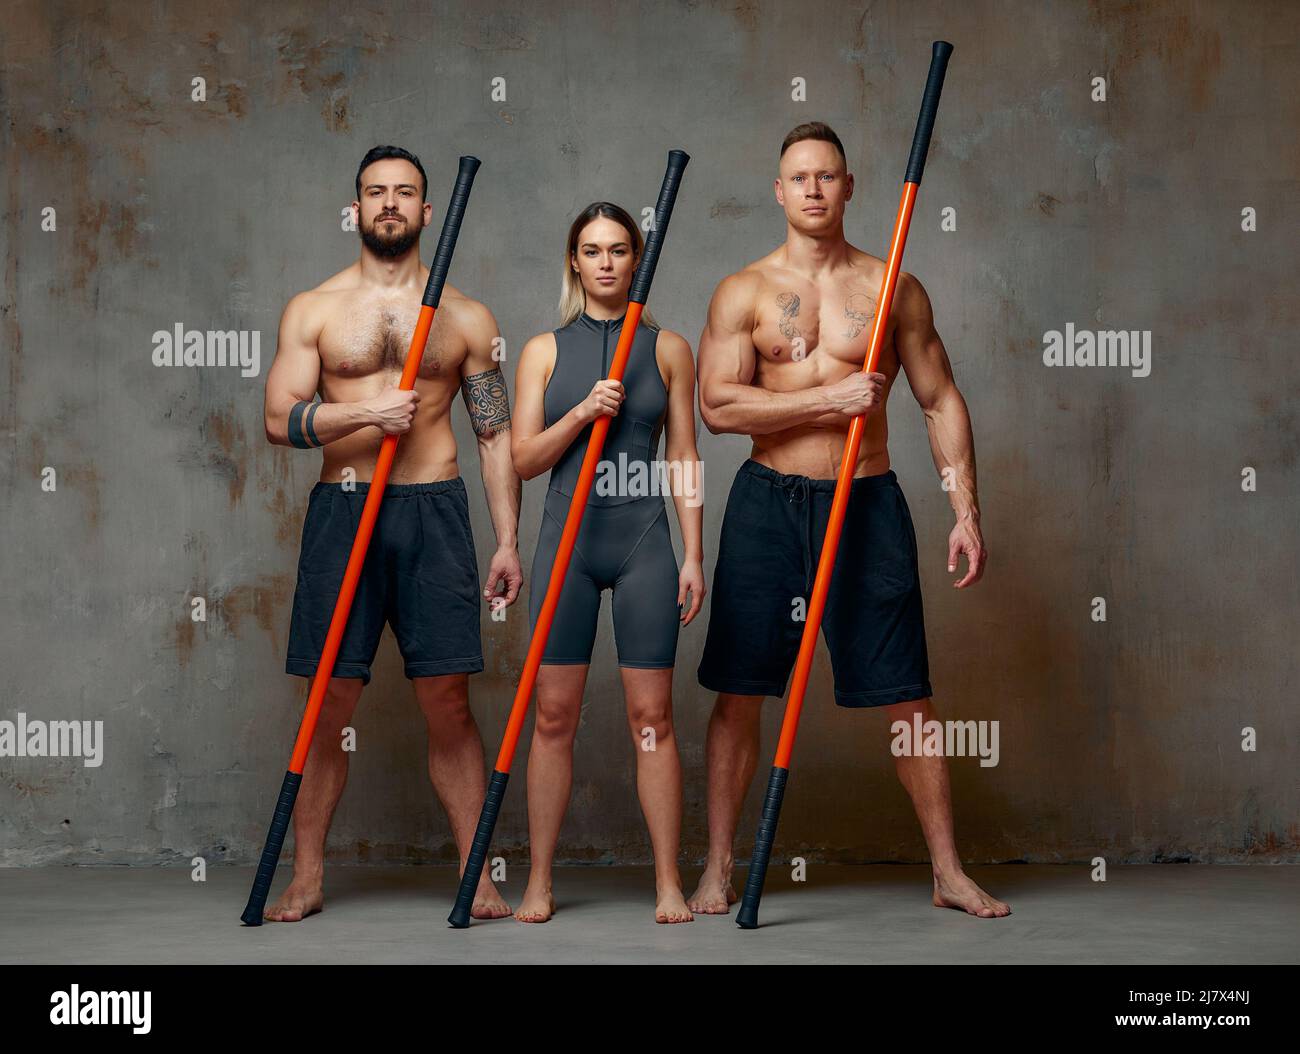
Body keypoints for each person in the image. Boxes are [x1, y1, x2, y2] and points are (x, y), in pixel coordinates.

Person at [691, 122, 1009, 919]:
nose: (812, 189)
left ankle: (947, 870)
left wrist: (965, 509)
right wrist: (825, 400)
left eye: (827, 176)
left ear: (850, 186)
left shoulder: (894, 284)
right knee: (739, 691)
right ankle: (719, 867)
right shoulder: (745, 291)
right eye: (798, 176)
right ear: (777, 190)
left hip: (867, 503)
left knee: (909, 696)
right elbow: (717, 406)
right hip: (770, 505)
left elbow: (939, 399)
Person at [261, 145, 522, 922]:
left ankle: (477, 876)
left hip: (432, 511)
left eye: (404, 193)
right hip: (344, 513)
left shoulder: (468, 318)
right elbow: (280, 419)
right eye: (375, 192)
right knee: (327, 703)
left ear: (427, 210)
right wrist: (362, 415)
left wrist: (506, 539)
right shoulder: (314, 309)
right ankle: (307, 877)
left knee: (447, 700)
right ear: (357, 208)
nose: (389, 204)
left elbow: (495, 437)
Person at [510, 202, 705, 923]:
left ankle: (666, 882)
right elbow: (525, 460)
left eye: (620, 250)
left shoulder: (667, 349)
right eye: (592, 251)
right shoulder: (542, 351)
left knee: (651, 717)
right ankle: (539, 882)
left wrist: (694, 555)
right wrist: (584, 412)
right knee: (552, 716)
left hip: (644, 542)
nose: (606, 263)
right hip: (567, 543)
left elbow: (683, 456)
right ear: (574, 262)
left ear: (637, 260)